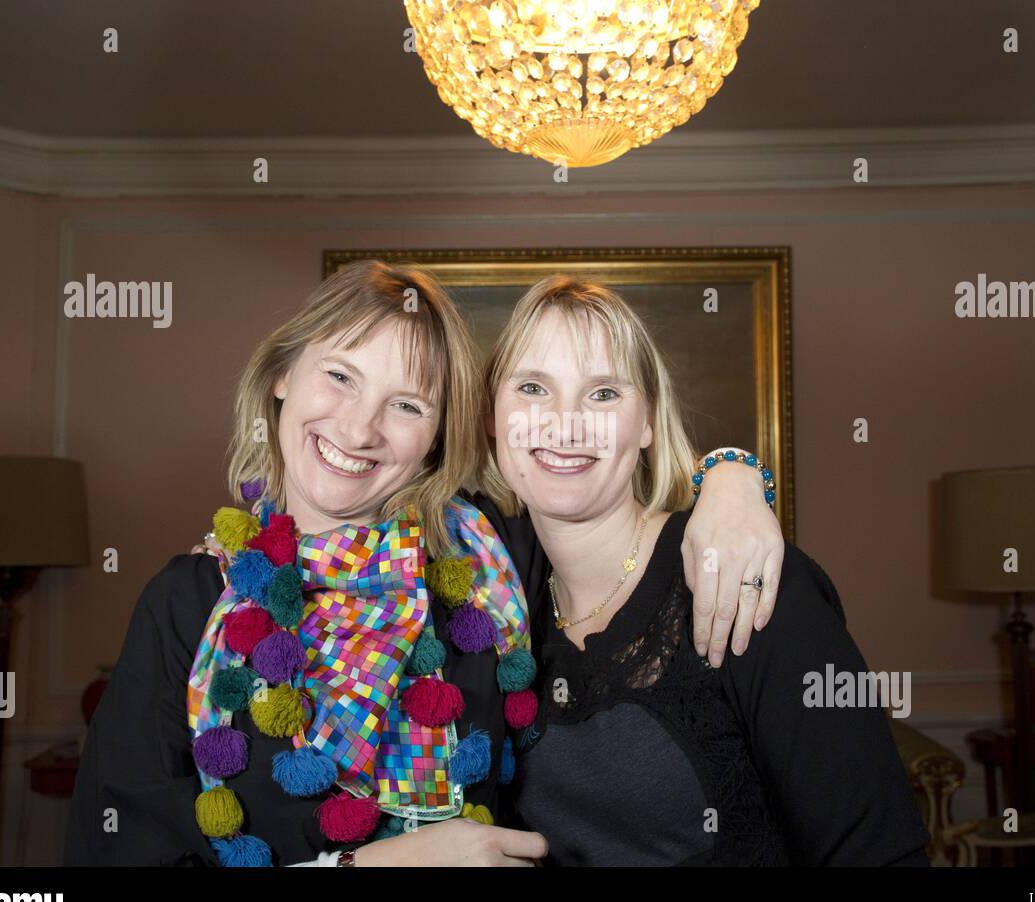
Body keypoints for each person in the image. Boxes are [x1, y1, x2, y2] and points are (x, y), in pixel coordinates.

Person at [64, 259, 784, 866]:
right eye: (341, 377)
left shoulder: (486, 559)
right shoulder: (192, 601)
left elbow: (596, 483)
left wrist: (732, 480)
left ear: (436, 437)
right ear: (283, 374)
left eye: (406, 404)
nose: (359, 427)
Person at [482, 276, 933, 865]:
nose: (567, 424)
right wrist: (732, 469)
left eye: (603, 394)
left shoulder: (743, 577)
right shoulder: (490, 581)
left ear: (646, 422)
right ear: (492, 415)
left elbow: (879, 852)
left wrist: (732, 472)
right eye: (534, 387)